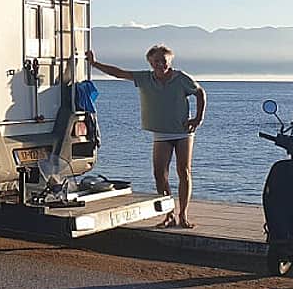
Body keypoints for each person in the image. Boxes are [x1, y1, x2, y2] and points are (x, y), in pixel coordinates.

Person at [85, 45, 206, 228]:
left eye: (163, 60)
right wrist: (94, 64)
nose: (160, 64)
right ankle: (169, 214)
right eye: (156, 61)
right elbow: (119, 73)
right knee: (159, 174)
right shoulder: (145, 78)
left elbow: (200, 93)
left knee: (184, 172)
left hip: (182, 132)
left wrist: (198, 118)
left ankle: (183, 214)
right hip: (161, 133)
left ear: (169, 61)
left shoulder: (181, 78)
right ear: (150, 63)